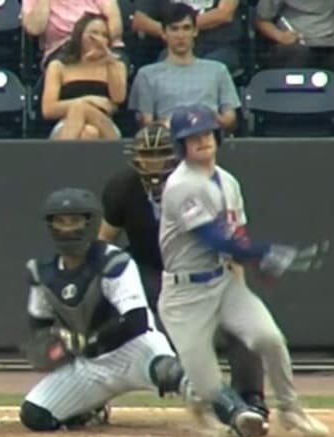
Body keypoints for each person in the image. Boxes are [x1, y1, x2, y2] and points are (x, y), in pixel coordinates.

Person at [17, 187, 267, 437]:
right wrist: (52, 346)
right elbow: (39, 323)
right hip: (90, 363)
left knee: (175, 373)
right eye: (61, 222)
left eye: (75, 221)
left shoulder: (113, 262)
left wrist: (89, 341)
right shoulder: (41, 271)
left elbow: (135, 320)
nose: (68, 229)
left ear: (90, 223)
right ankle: (89, 409)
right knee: (35, 415)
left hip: (137, 348)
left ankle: (239, 413)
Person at [156, 104, 330, 437]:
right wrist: (265, 252)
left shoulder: (228, 181)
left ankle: (291, 410)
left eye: (207, 133)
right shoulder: (181, 185)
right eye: (193, 137)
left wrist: (254, 264)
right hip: (184, 294)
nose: (202, 141)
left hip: (224, 281)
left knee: (270, 338)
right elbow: (214, 238)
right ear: (181, 145)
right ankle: (198, 400)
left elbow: (237, 235)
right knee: (208, 384)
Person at [99, 125, 269, 416]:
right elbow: (104, 241)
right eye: (147, 156)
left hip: (205, 267)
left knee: (242, 325)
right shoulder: (122, 186)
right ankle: (92, 396)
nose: (154, 164)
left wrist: (239, 289)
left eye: (161, 155)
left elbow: (232, 241)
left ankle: (251, 398)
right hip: (147, 268)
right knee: (104, 312)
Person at [129, 4, 239, 132]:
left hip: (208, 136)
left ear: (195, 31)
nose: (180, 35)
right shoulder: (147, 75)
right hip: (168, 140)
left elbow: (230, 117)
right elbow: (146, 123)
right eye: (174, 29)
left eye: (186, 28)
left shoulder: (218, 70)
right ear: (164, 33)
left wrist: (213, 119)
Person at [38, 13, 123, 140]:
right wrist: (88, 100)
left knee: (80, 108)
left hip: (105, 125)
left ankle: (57, 158)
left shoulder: (116, 65)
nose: (99, 39)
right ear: (79, 36)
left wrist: (110, 61)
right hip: (67, 123)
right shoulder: (58, 66)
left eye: (104, 35)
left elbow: (118, 98)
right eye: (93, 33)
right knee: (89, 133)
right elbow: (48, 109)